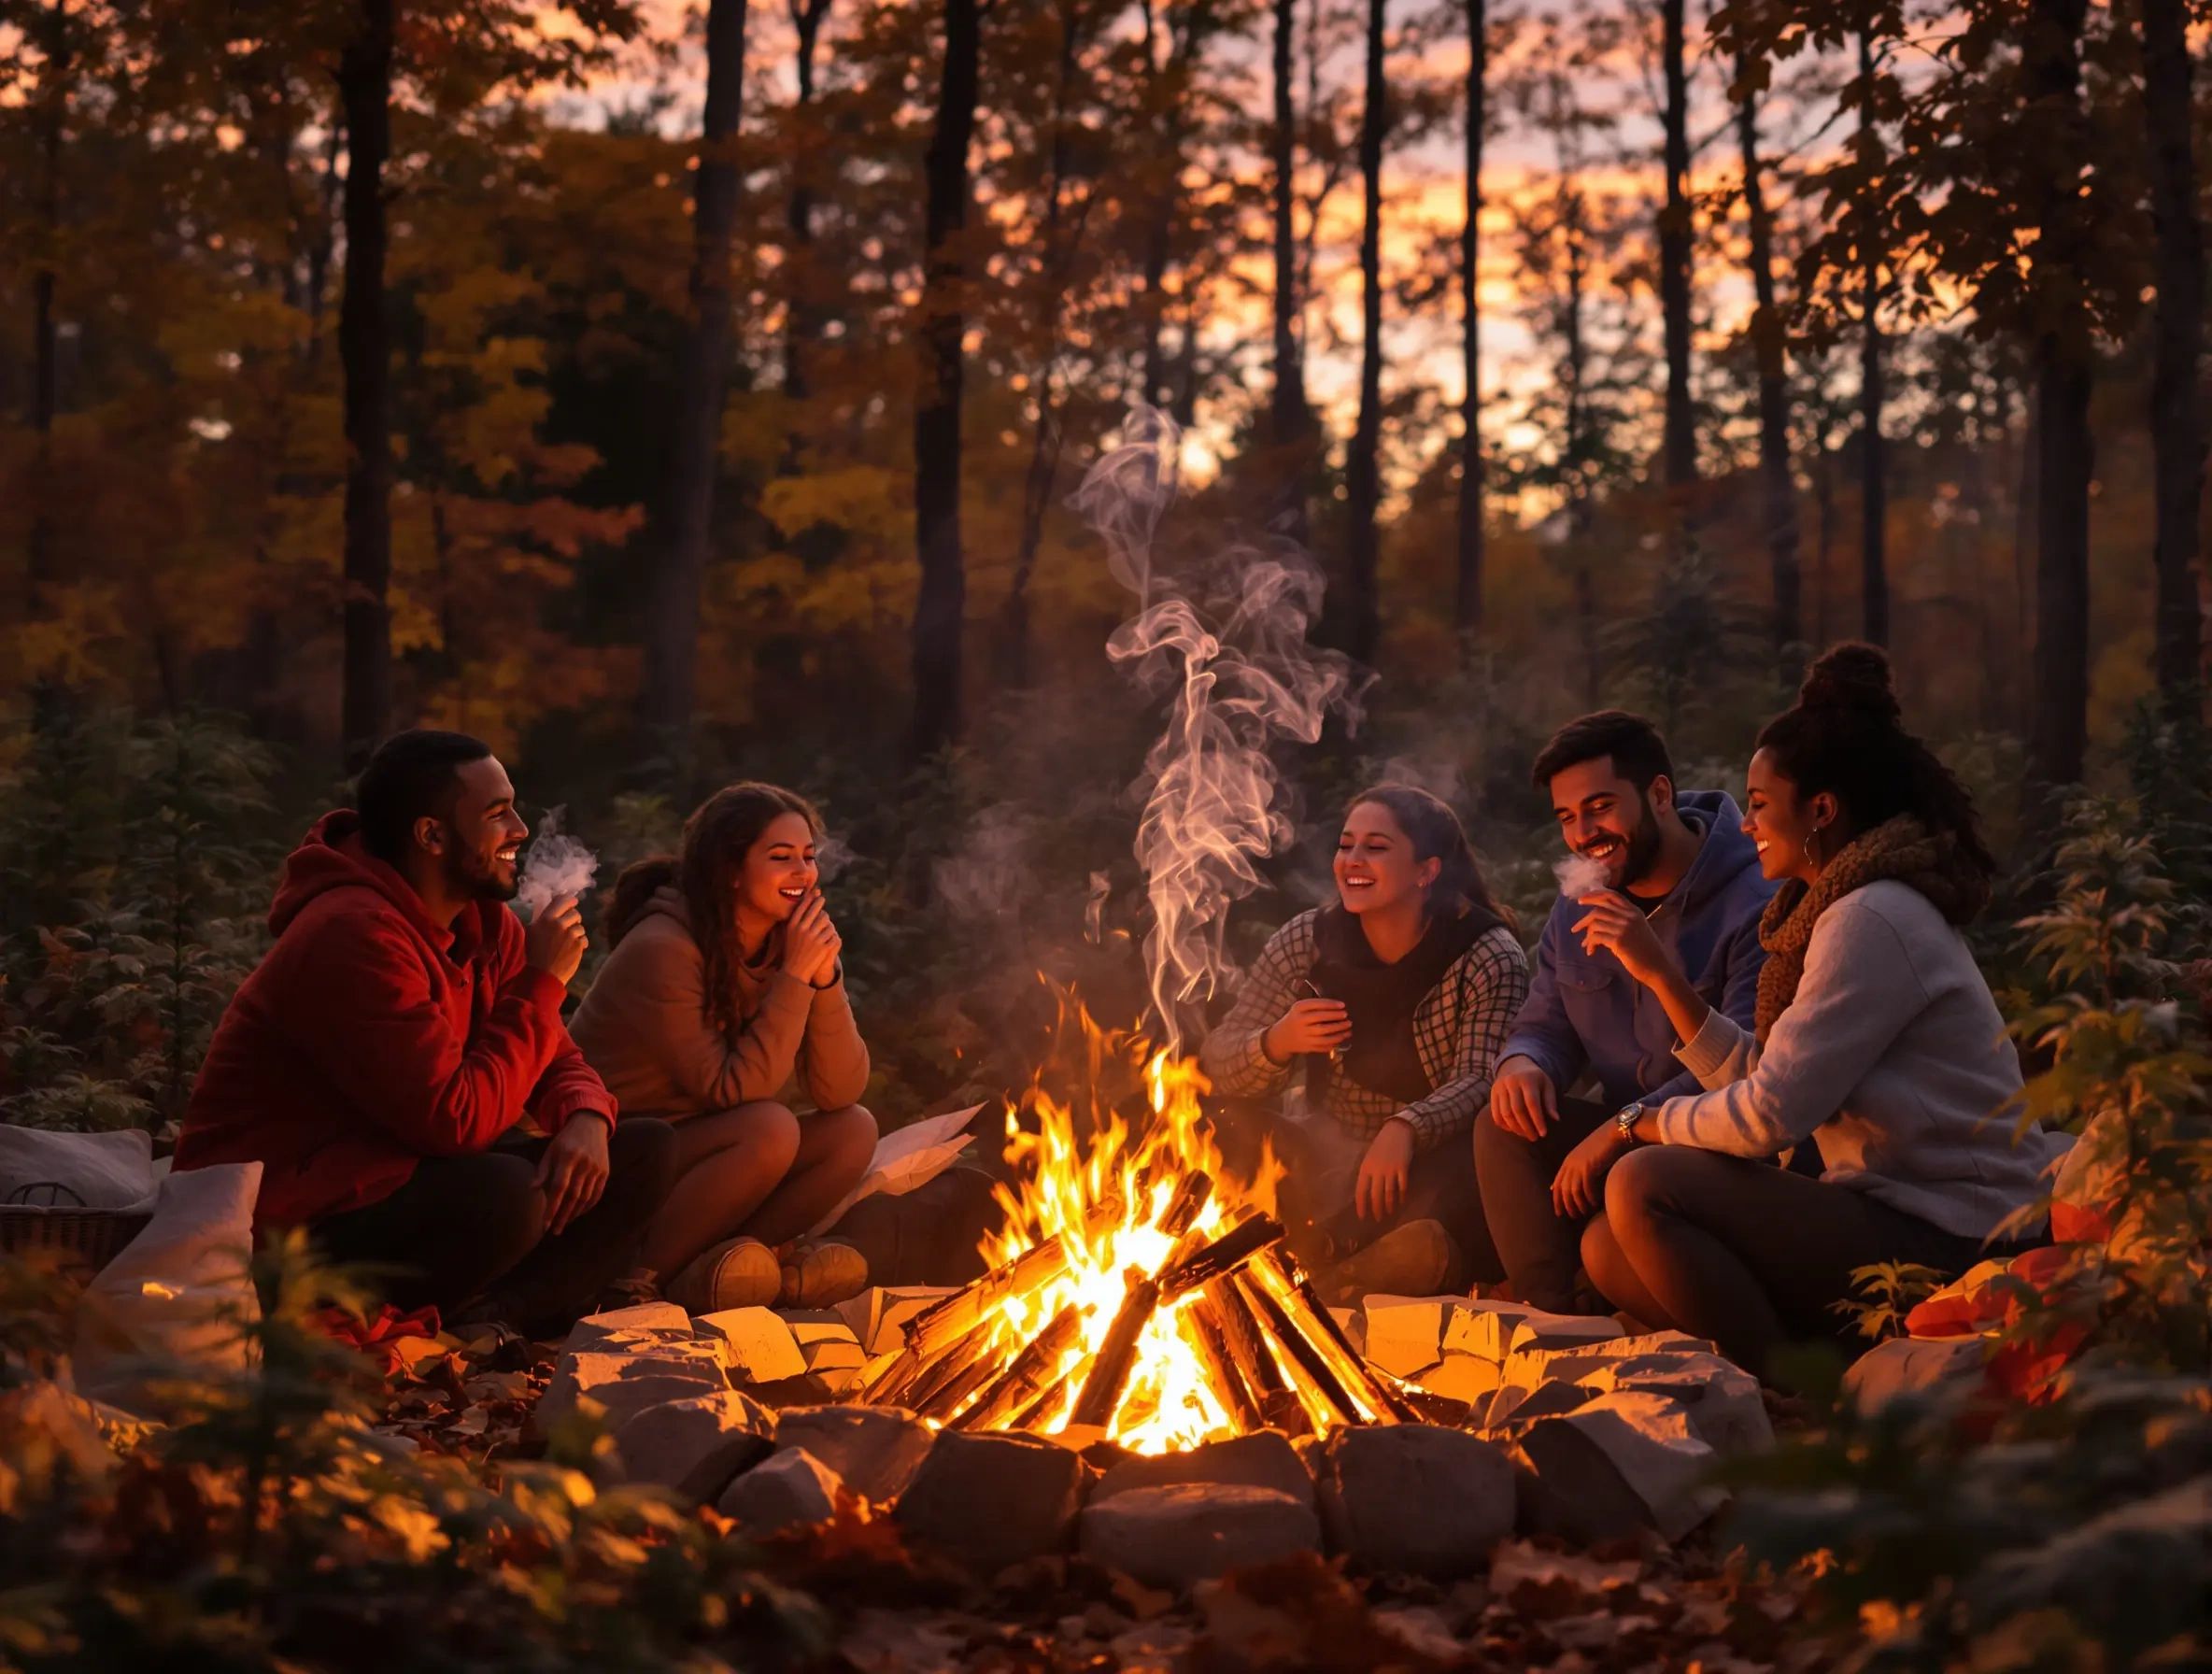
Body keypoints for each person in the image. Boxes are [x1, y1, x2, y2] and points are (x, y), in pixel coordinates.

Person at [1546, 645, 2069, 1380]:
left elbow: (1769, 1116)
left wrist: (1636, 1123)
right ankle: (1822, 1357)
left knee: (1643, 1181)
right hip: (1886, 1209)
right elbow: (1769, 1073)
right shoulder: (1831, 912)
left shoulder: (1871, 917)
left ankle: (1801, 1392)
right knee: (1607, 1248)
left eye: (1760, 805)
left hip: (1961, 1230)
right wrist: (1661, 976)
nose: (1747, 824)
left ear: (1820, 810)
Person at [175, 731, 676, 1335]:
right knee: (506, 1194)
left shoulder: (487, 924)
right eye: (497, 814)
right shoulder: (351, 935)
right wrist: (543, 983)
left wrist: (586, 1115)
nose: (520, 830)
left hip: (393, 1177)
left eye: (514, 809)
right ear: (432, 835)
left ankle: (497, 1320)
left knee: (643, 1151)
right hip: (286, 1220)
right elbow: (455, 1122)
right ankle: (470, 1316)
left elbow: (554, 1057)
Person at [1473, 711, 1773, 1313]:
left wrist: (1626, 1125)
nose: (1584, 834)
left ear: (1658, 795)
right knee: (1501, 1123)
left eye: (1600, 807)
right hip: (1620, 1134)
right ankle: (1552, 1318)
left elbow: (1750, 1069)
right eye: (1567, 817)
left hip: (1712, 1142)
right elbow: (1545, 1022)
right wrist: (1525, 1063)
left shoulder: (1754, 900)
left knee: (1606, 1238)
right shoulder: (1581, 900)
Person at [1199, 785, 1530, 1300]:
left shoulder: (1487, 953)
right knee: (1214, 1122)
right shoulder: (1308, 940)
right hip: (1327, 1152)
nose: (1352, 860)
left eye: (1375, 848)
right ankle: (1326, 1262)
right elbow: (1218, 1059)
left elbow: (1484, 1078)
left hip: (1433, 1163)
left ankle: (1348, 1272)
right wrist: (1276, 1041)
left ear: (1426, 871)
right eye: (1345, 845)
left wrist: (1408, 1127)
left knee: (1477, 1162)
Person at [571, 784, 878, 1312]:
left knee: (853, 1130)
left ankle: (723, 1267)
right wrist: (796, 978)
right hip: (619, 1158)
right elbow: (730, 1090)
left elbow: (840, 1090)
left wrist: (824, 978)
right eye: (781, 858)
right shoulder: (662, 948)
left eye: (808, 857)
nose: (803, 873)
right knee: (769, 1127)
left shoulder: (789, 943)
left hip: (706, 1150)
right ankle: (634, 1282)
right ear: (731, 870)